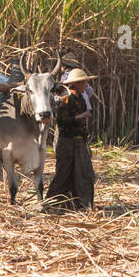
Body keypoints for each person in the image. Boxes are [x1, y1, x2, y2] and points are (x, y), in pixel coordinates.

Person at [46, 67, 98, 211]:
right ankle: (51, 204)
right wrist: (80, 117)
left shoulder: (81, 98)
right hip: (67, 142)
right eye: (83, 82)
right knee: (64, 174)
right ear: (75, 84)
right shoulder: (66, 99)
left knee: (83, 173)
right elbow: (61, 121)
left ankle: (82, 205)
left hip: (79, 142)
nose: (86, 85)